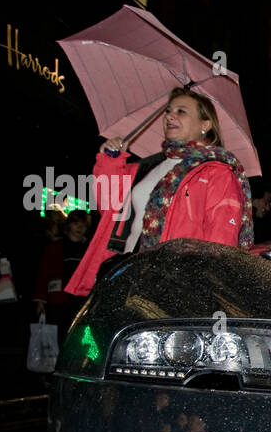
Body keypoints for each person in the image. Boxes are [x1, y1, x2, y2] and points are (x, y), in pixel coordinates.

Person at [65, 87, 255, 296]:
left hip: (174, 287)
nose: (170, 116)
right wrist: (110, 162)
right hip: (124, 275)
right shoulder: (145, 167)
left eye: (181, 111)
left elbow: (221, 244)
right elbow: (108, 207)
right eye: (168, 111)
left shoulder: (217, 174)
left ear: (206, 124)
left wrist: (199, 290)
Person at [34, 209, 91, 344]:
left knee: (79, 338)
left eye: (83, 225)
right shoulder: (55, 246)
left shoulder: (88, 248)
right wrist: (40, 299)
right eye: (76, 223)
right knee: (58, 338)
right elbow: (44, 273)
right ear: (68, 225)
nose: (80, 228)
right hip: (59, 300)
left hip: (81, 301)